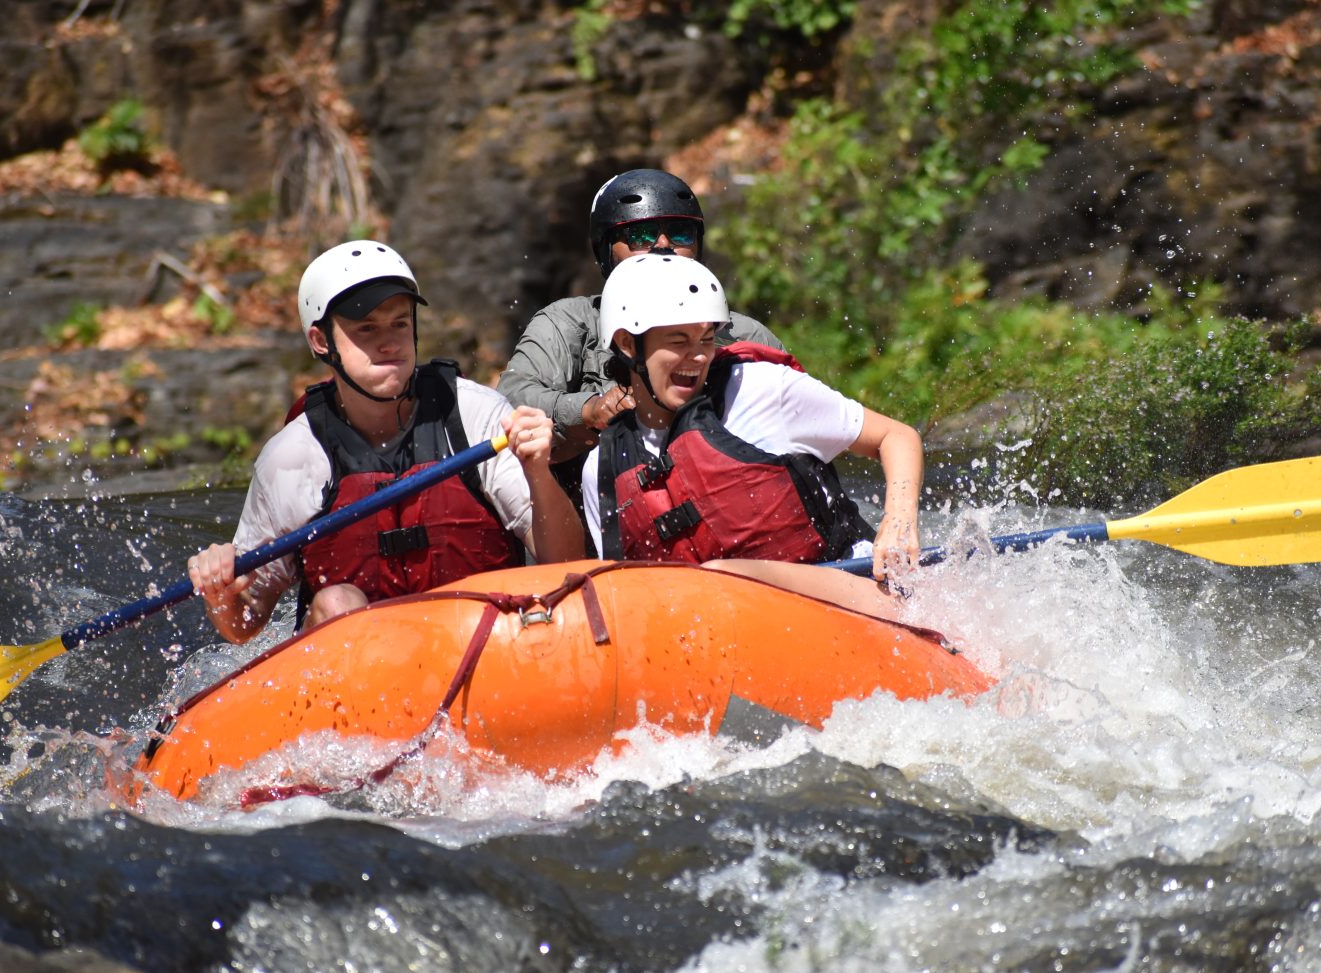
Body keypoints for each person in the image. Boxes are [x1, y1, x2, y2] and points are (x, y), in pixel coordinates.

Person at [188, 240, 586, 643]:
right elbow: (243, 627)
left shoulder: (476, 414)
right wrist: (222, 595)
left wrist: (538, 473)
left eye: (399, 323)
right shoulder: (292, 457)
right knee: (336, 602)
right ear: (321, 341)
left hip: (483, 649)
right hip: (363, 679)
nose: (389, 342)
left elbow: (567, 565)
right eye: (366, 328)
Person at [581, 253, 925, 621]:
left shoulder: (760, 390)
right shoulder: (601, 468)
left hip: (858, 597)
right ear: (628, 345)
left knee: (718, 578)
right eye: (679, 341)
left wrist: (899, 521)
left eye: (706, 339)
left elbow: (895, 436)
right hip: (730, 639)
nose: (697, 357)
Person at [499, 168, 784, 471]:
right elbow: (509, 401)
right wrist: (589, 410)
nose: (662, 245)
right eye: (640, 235)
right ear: (606, 251)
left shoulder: (744, 334)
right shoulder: (568, 322)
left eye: (680, 233)